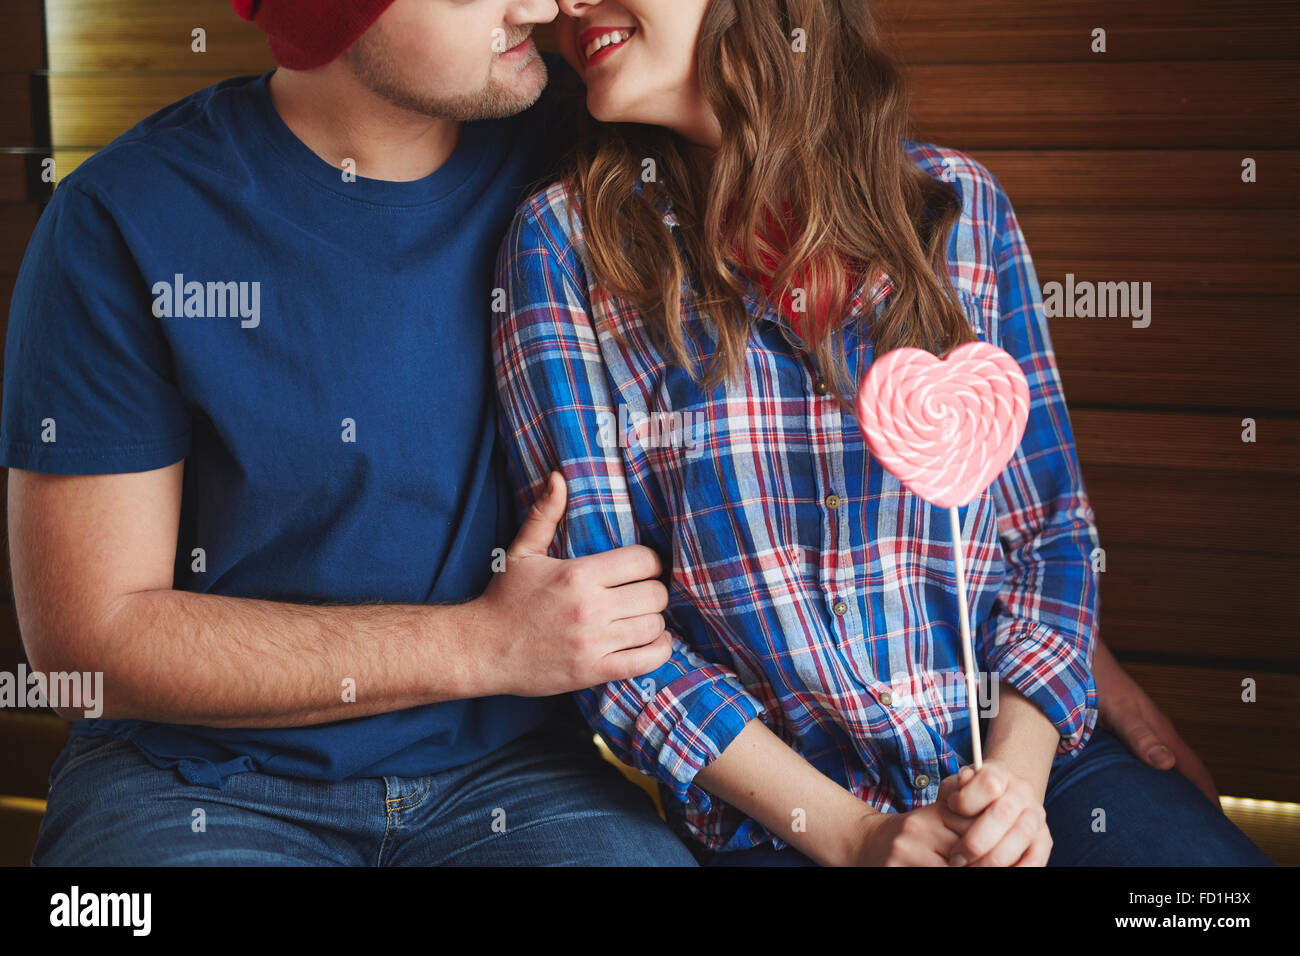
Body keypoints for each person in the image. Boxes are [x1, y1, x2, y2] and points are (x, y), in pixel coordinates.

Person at [492, 0, 1275, 866]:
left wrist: (1011, 787)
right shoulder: (561, 247)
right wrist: (858, 837)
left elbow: (1052, 536)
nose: (566, 2)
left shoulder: (961, 208)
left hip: (1037, 768)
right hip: (782, 821)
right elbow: (608, 636)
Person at [3, 0, 696, 866]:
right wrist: (482, 646)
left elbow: (789, 115)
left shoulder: (581, 140)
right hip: (192, 777)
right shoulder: (121, 216)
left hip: (513, 776)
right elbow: (88, 642)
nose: (537, 2)